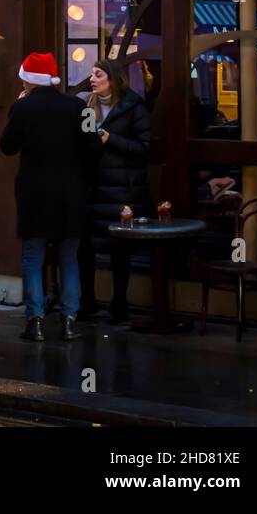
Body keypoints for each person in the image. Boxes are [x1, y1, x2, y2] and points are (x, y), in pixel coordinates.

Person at [0, 52, 102, 342]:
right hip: (72, 193)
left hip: (35, 193)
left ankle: (36, 322)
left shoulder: (24, 108)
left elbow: (7, 146)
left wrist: (17, 109)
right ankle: (69, 320)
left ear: (29, 81)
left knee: (33, 257)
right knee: (69, 257)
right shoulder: (78, 107)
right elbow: (94, 147)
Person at [78, 59, 152, 321]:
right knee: (84, 247)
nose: (92, 79)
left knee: (119, 250)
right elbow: (84, 142)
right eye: (92, 75)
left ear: (113, 78)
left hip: (122, 191)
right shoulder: (88, 105)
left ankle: (119, 304)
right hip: (93, 188)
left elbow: (145, 148)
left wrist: (112, 139)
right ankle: (88, 302)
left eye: (98, 75)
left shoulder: (133, 107)